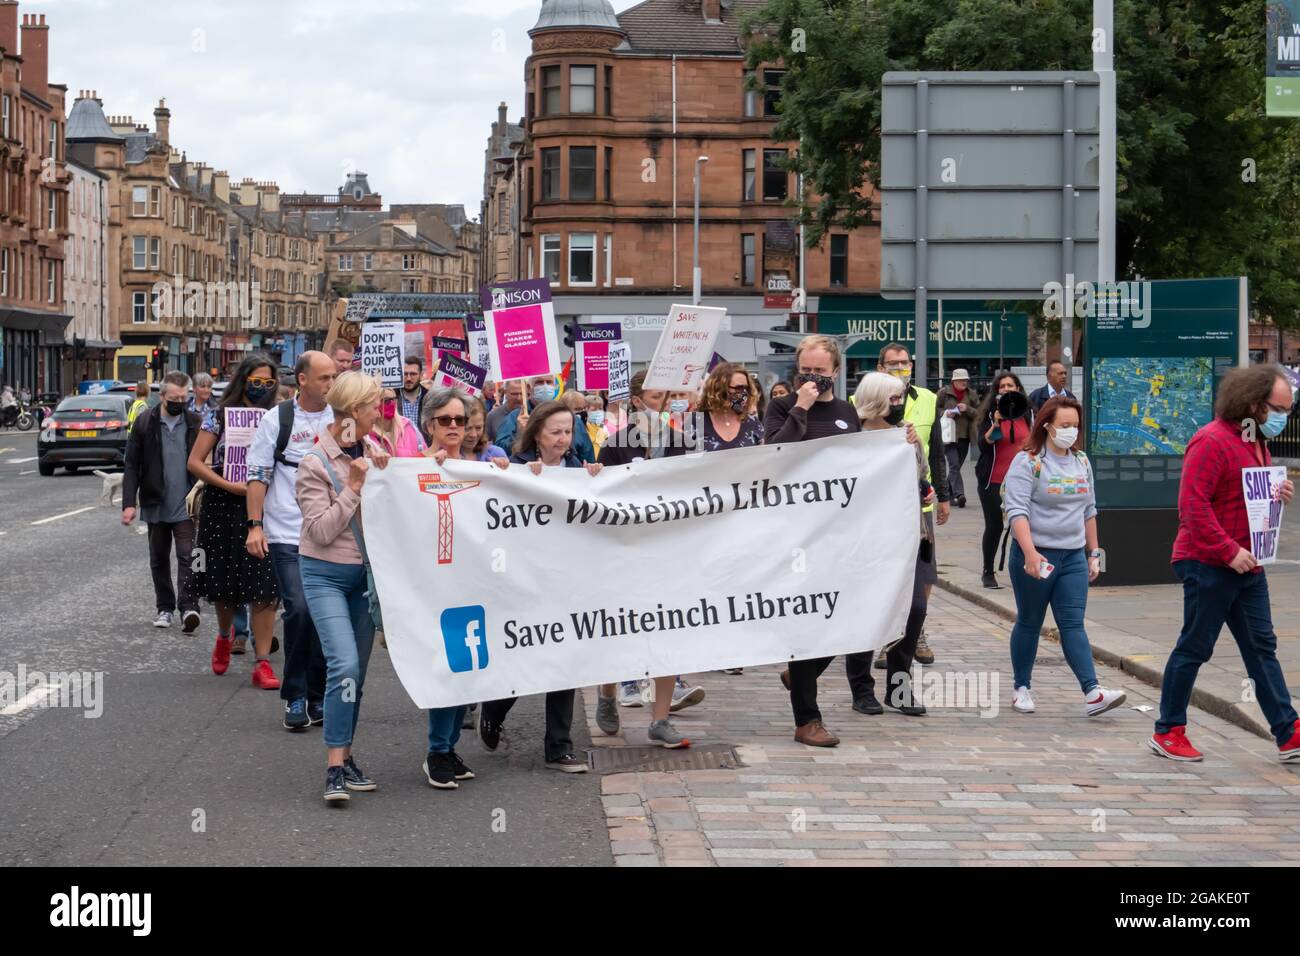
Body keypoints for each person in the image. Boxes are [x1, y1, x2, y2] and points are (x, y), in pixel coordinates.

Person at [1150, 365, 1300, 762]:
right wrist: (1227, 550)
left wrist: (1277, 489)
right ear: (1253, 404)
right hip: (1208, 562)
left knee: (1261, 647)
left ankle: (1288, 731)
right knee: (1196, 646)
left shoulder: (1254, 442)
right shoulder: (1212, 440)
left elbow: (1244, 496)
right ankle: (1168, 729)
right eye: (1280, 408)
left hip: (1248, 565)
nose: (1285, 416)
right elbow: (1192, 506)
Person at [476, 401, 602, 771]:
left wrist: (596, 477)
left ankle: (559, 745)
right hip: (525, 578)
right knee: (524, 655)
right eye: (555, 432)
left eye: (568, 431)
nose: (563, 439)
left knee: (565, 660)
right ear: (538, 435)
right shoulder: (519, 468)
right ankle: (494, 709)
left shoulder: (578, 469)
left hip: (568, 578)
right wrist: (511, 475)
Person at [593, 371, 703, 745]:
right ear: (638, 402)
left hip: (667, 548)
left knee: (667, 627)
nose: (666, 403)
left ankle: (660, 718)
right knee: (618, 628)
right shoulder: (615, 445)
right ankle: (607, 694)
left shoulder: (682, 443)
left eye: (671, 396)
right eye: (657, 397)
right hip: (623, 548)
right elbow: (599, 497)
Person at [296, 371, 390, 803]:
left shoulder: (376, 450)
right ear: (354, 411)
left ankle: (347, 757)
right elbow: (319, 531)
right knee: (345, 665)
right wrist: (353, 488)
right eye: (373, 406)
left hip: (365, 579)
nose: (379, 412)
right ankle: (334, 769)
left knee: (359, 674)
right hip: (325, 575)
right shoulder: (314, 463)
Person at [1002, 395, 1126, 718]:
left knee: (1073, 623)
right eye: (1064, 425)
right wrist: (1029, 552)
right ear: (1047, 426)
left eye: (1075, 425)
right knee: (1030, 621)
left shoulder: (1081, 461)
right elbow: (1017, 511)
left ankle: (1093, 692)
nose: (1071, 431)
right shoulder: (1028, 461)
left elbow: (1089, 510)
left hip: (1072, 557)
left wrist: (1094, 554)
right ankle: (1021, 687)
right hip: (1037, 556)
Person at [764, 335, 861, 747]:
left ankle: (800, 673)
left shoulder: (846, 411)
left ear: (835, 372)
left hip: (838, 530)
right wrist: (801, 405)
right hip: (796, 532)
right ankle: (808, 720)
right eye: (807, 370)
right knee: (807, 622)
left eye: (821, 371)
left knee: (851, 616)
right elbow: (774, 452)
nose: (813, 377)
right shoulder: (782, 406)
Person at [419, 387, 510, 786]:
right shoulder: (414, 466)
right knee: (449, 664)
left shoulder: (482, 465)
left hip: (477, 580)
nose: (454, 427)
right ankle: (437, 750)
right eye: (445, 420)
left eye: (460, 420)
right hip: (436, 583)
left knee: (471, 664)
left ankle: (450, 745)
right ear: (429, 425)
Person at [245, 351, 336, 731]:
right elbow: (258, 473)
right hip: (286, 531)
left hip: (330, 531)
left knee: (322, 617)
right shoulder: (277, 419)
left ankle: (318, 696)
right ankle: (295, 695)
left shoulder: (339, 417)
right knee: (298, 610)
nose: (331, 384)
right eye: (324, 378)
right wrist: (255, 525)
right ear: (302, 380)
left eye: (334, 377)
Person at [187, 354, 282, 690]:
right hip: (224, 504)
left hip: (264, 504)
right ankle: (225, 637)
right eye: (256, 382)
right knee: (224, 585)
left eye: (268, 383)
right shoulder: (219, 416)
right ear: (243, 380)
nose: (262, 388)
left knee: (265, 585)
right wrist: (230, 485)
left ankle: (263, 663)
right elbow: (195, 462)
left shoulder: (277, 416)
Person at [850, 372, 937, 716]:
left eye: (902, 398)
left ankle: (899, 687)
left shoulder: (907, 437)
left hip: (909, 537)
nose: (901, 405)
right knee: (867, 614)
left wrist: (925, 482)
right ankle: (861, 687)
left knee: (914, 610)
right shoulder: (853, 442)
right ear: (875, 401)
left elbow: (923, 477)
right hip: (869, 542)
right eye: (895, 399)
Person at [876, 342, 950, 666]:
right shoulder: (864, 401)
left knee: (925, 571)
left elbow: (936, 450)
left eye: (905, 363)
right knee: (887, 572)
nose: (900, 369)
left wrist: (944, 494)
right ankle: (885, 635)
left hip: (920, 500)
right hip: (880, 504)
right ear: (881, 368)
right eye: (893, 364)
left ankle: (916, 630)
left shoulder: (928, 399)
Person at [122, 371, 202, 632]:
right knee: (158, 558)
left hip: (186, 504)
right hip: (155, 502)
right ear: (162, 396)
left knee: (188, 556)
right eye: (174, 397)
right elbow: (132, 465)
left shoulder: (195, 423)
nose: (180, 401)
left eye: (184, 396)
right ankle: (164, 608)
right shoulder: (145, 422)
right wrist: (129, 503)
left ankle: (189, 607)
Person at [975, 371, 1034, 589]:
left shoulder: (1028, 414)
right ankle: (987, 572)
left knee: (1024, 526)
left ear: (1018, 388)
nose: (1006, 389)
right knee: (995, 526)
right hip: (994, 480)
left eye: (1010, 385)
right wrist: (996, 425)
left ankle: (1026, 567)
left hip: (1023, 481)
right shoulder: (991, 415)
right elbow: (983, 444)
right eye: (1001, 386)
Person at [496, 375, 594, 462]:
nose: (545, 386)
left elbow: (587, 454)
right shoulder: (516, 417)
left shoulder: (569, 417)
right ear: (529, 388)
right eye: (539, 382)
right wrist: (520, 434)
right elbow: (500, 452)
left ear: (555, 386)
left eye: (549, 382)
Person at [935, 368, 978, 508]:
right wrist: (945, 412)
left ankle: (947, 495)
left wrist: (968, 409)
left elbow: (980, 413)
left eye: (966, 380)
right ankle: (960, 494)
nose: (964, 382)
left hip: (964, 436)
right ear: (954, 381)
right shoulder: (944, 393)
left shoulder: (971, 394)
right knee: (954, 465)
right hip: (948, 435)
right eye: (961, 380)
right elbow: (934, 410)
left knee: (956, 467)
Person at [698, 362, 764, 452]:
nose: (744, 392)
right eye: (739, 388)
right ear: (719, 388)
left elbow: (764, 459)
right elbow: (679, 461)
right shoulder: (693, 423)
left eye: (747, 388)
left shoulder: (753, 423)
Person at [371, 386, 427, 458]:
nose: (392, 403)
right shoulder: (367, 433)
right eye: (387, 401)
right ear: (376, 403)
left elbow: (424, 453)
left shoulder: (408, 426)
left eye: (394, 399)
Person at [461, 394, 508, 463]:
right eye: (467, 428)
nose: (473, 435)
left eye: (478, 428)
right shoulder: (444, 454)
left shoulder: (496, 453)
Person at [399, 355, 427, 425]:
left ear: (421, 375)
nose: (408, 378)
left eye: (413, 374)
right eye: (405, 374)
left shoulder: (430, 398)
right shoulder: (392, 398)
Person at [584, 392, 609, 458]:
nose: (598, 412)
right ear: (585, 410)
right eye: (594, 410)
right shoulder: (583, 428)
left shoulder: (604, 428)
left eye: (600, 409)